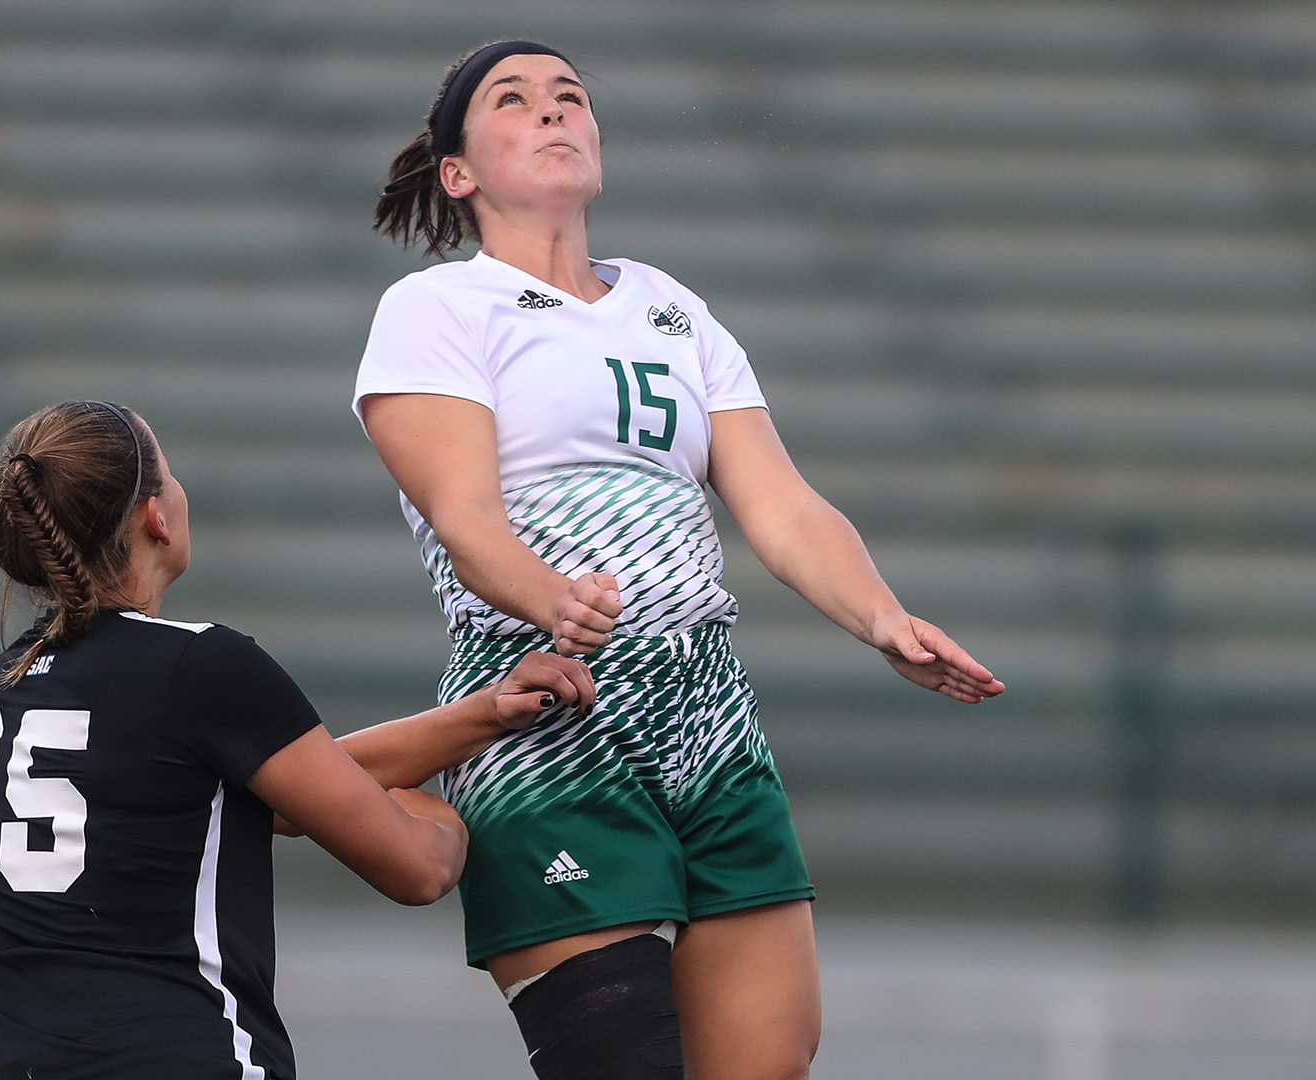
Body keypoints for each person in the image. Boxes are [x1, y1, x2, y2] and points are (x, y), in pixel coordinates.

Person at [354, 40, 1007, 1080]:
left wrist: (882, 617)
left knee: (766, 1066)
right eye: (515, 102)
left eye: (571, 97)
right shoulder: (437, 308)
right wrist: (553, 599)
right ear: (459, 172)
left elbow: (783, 506)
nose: (555, 112)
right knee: (620, 1062)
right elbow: (464, 517)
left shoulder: (670, 305)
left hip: (707, 720)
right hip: (552, 715)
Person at [0, 399, 596, 1080]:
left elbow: (270, 794)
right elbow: (419, 867)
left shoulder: (12, 677)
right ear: (155, 516)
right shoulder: (198, 665)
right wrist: (447, 814)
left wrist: (485, 715)